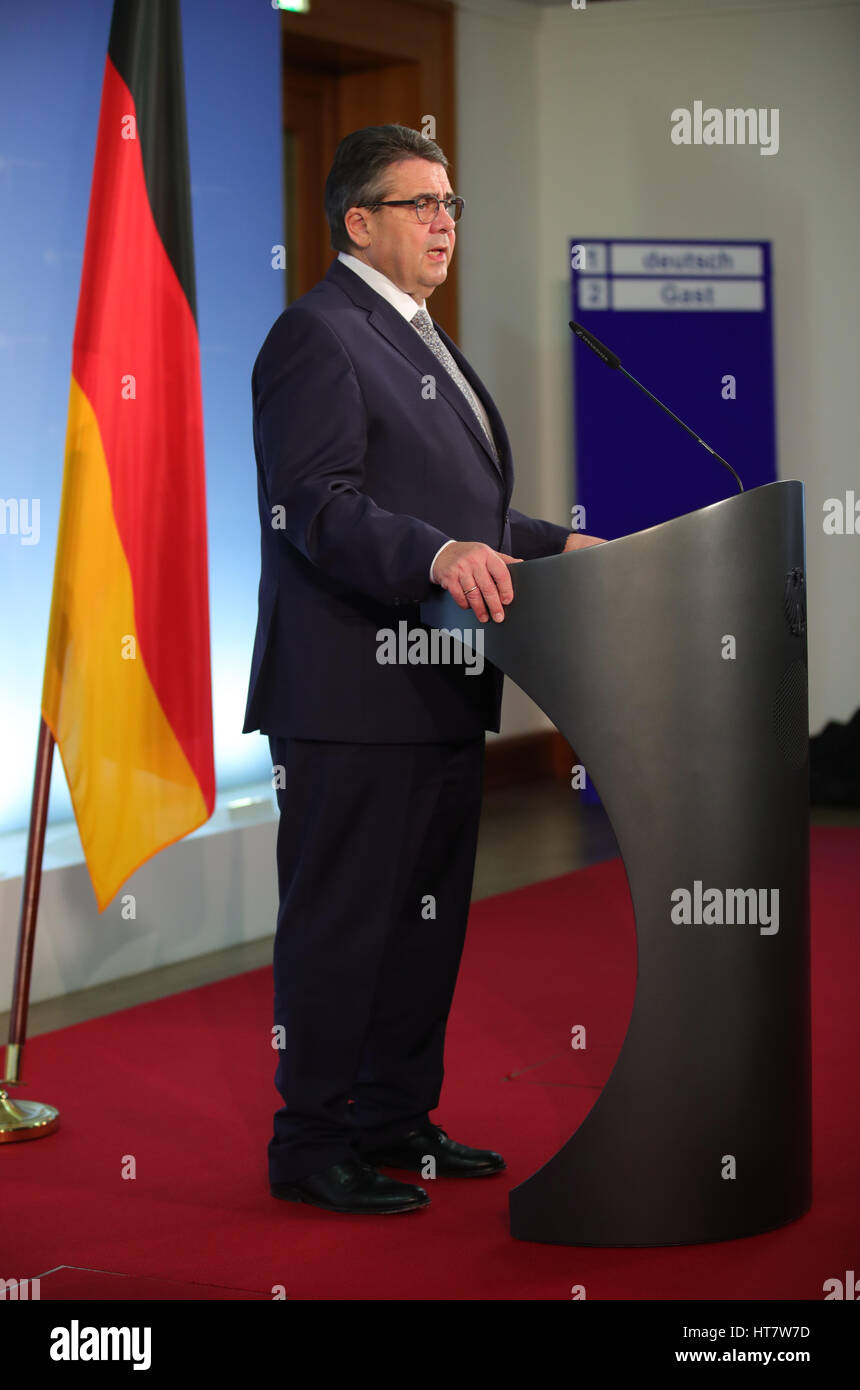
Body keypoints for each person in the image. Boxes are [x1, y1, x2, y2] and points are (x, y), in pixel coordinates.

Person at [243, 124, 603, 1215]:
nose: (444, 223)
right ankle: (310, 1141)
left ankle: (394, 1119)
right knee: (343, 922)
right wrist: (440, 555)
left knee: (421, 922)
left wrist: (550, 545)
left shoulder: (412, 333)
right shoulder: (317, 334)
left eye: (450, 203)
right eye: (421, 205)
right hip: (349, 690)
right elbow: (318, 506)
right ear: (359, 223)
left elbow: (458, 514)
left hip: (437, 678)